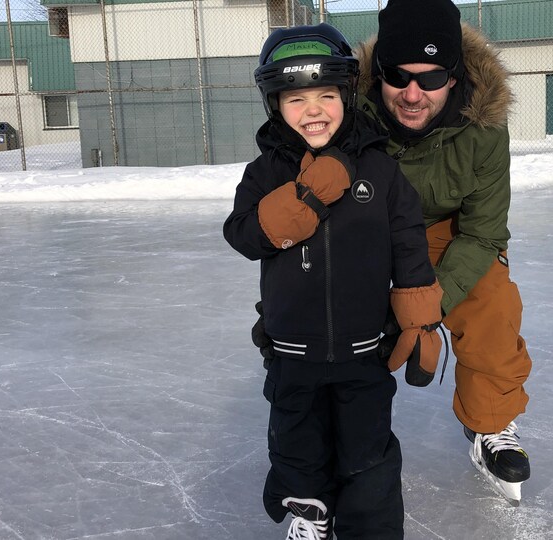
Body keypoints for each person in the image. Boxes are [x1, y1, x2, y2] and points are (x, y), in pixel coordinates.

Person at [223, 24, 444, 540]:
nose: (314, 109)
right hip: (291, 353)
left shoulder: (381, 170)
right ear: (275, 104)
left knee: (367, 456)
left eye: (326, 95)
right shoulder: (264, 172)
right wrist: (300, 201)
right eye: (296, 98)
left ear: (346, 95)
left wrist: (419, 320)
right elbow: (242, 234)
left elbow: (409, 242)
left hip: (363, 352)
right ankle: (310, 513)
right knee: (297, 446)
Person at [355, 0, 534, 505]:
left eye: (431, 78)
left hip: (448, 231)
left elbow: (483, 233)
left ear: (454, 77)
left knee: (492, 302)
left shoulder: (484, 125)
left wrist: (429, 304)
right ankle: (338, 431)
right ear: (378, 75)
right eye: (398, 76)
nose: (413, 95)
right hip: (369, 227)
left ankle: (490, 426)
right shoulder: (348, 108)